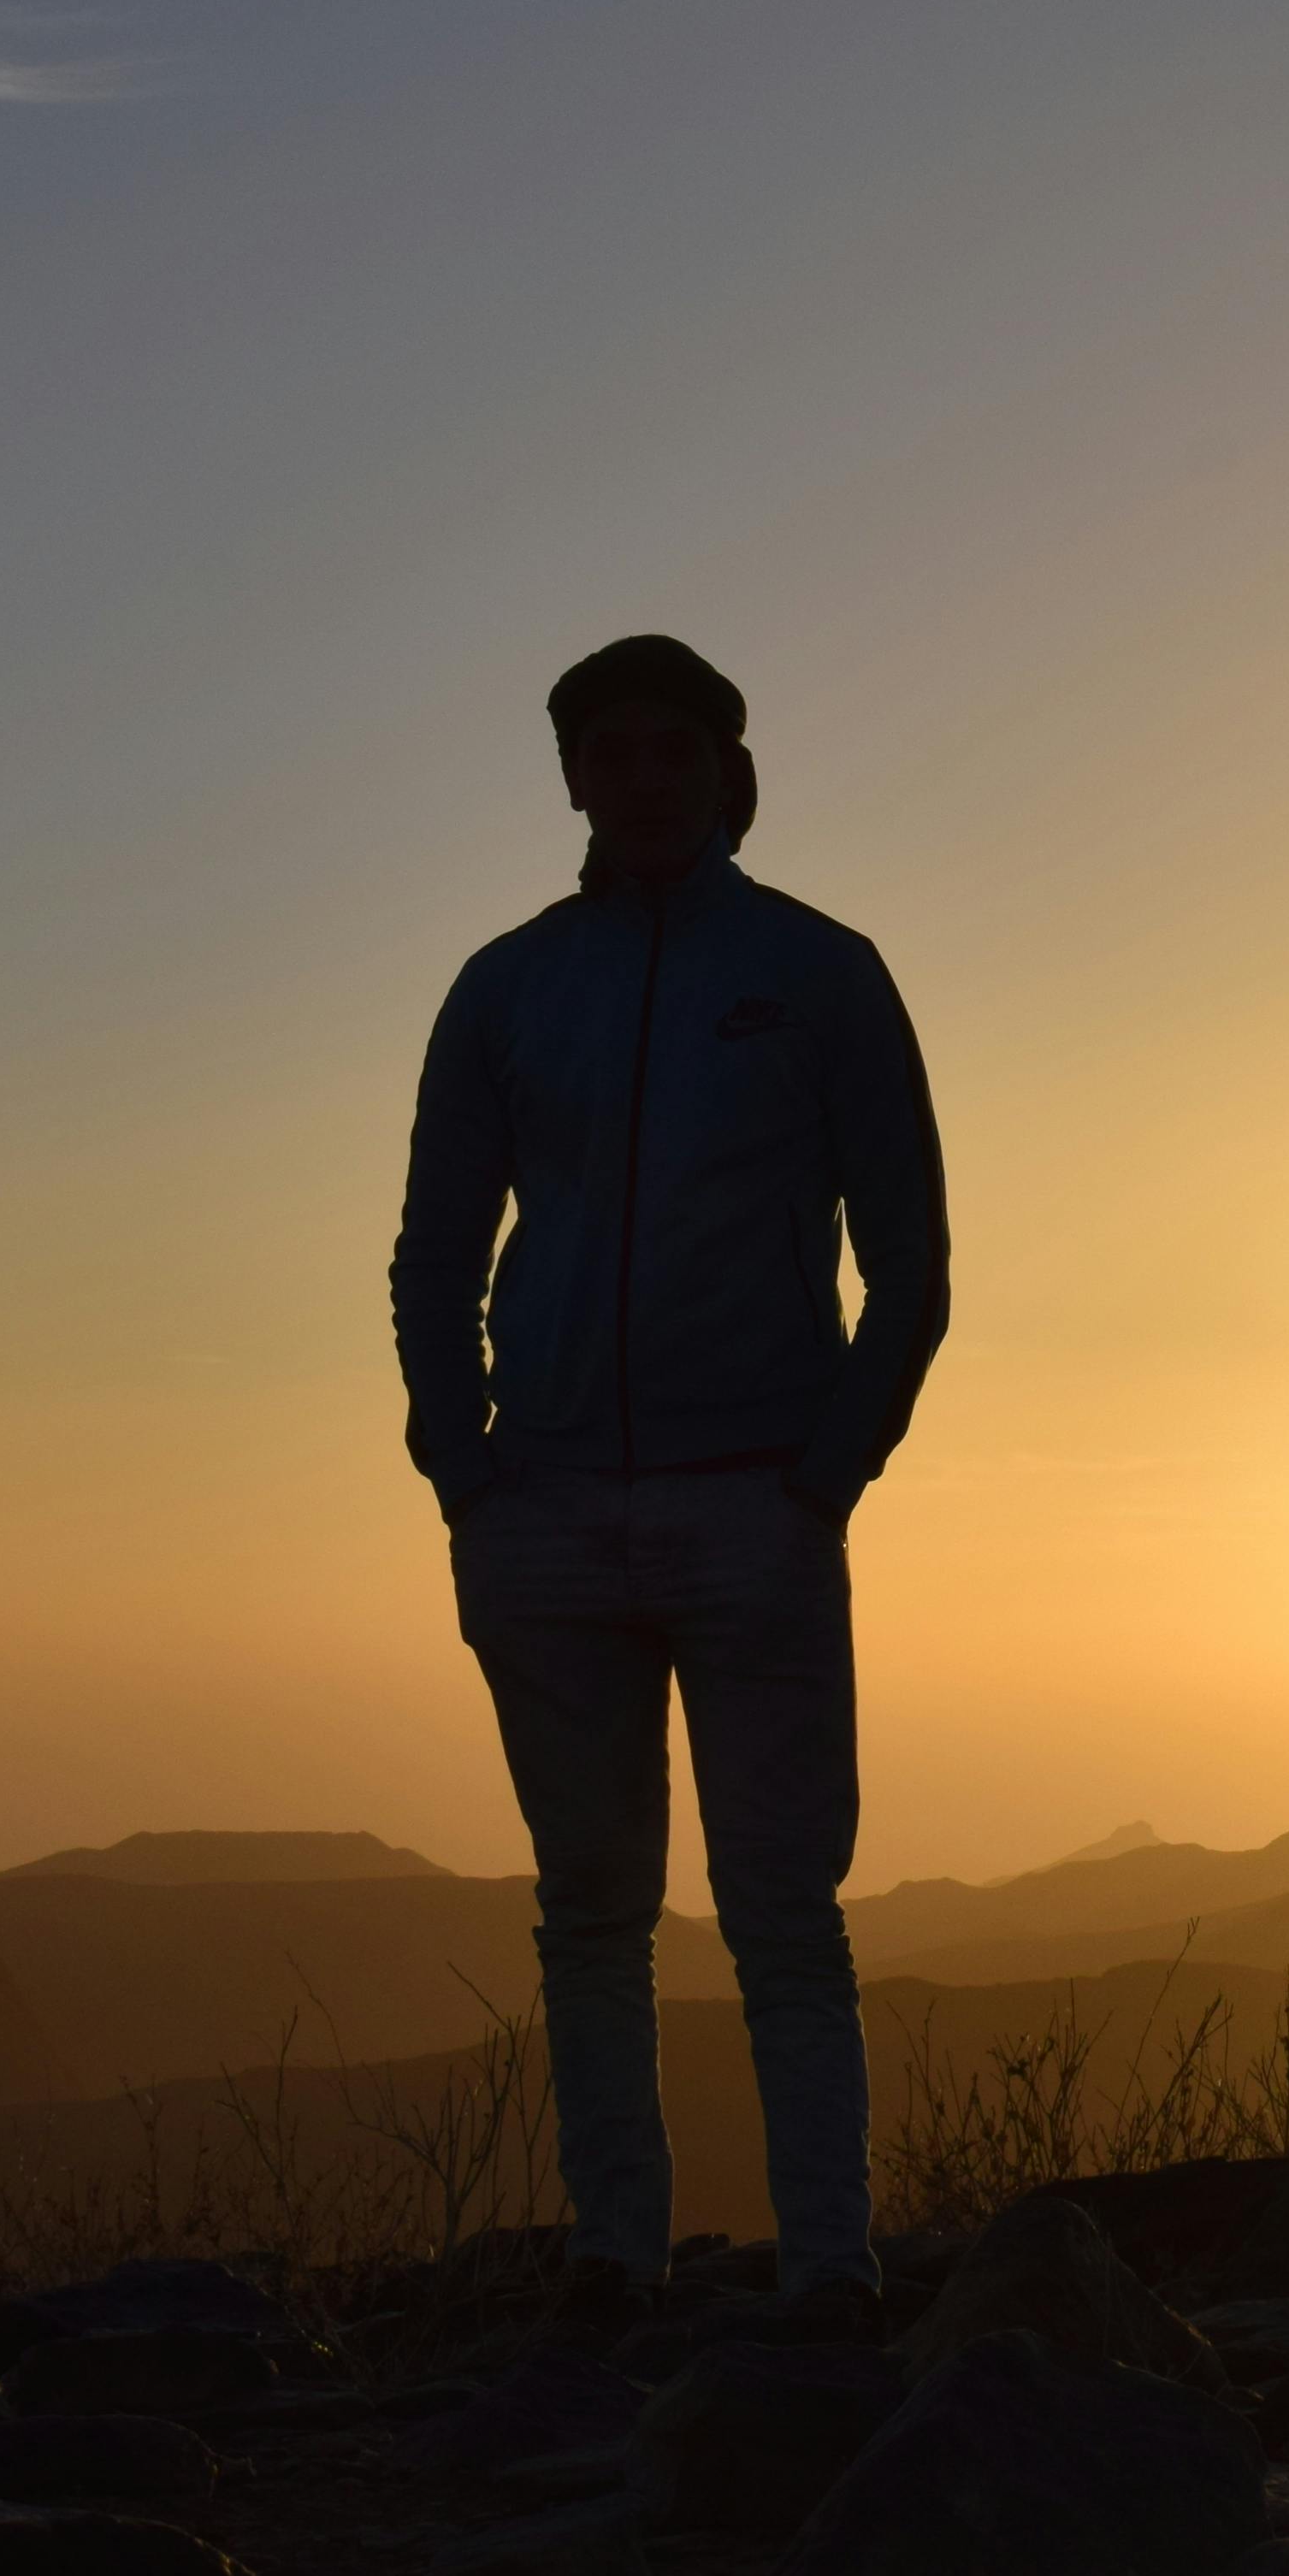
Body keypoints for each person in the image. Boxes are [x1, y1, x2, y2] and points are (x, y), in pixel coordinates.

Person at [388, 634, 949, 2342]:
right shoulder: (504, 986)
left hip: (749, 1509)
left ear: (723, 769)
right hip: (546, 1514)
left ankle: (832, 2270)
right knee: (592, 1912)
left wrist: (824, 1471)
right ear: (570, 774)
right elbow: (436, 1244)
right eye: (608, 749)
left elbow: (909, 1258)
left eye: (670, 748)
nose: (638, 776)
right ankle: (612, 2261)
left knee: (782, 1912)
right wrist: (465, 1467)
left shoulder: (821, 972)